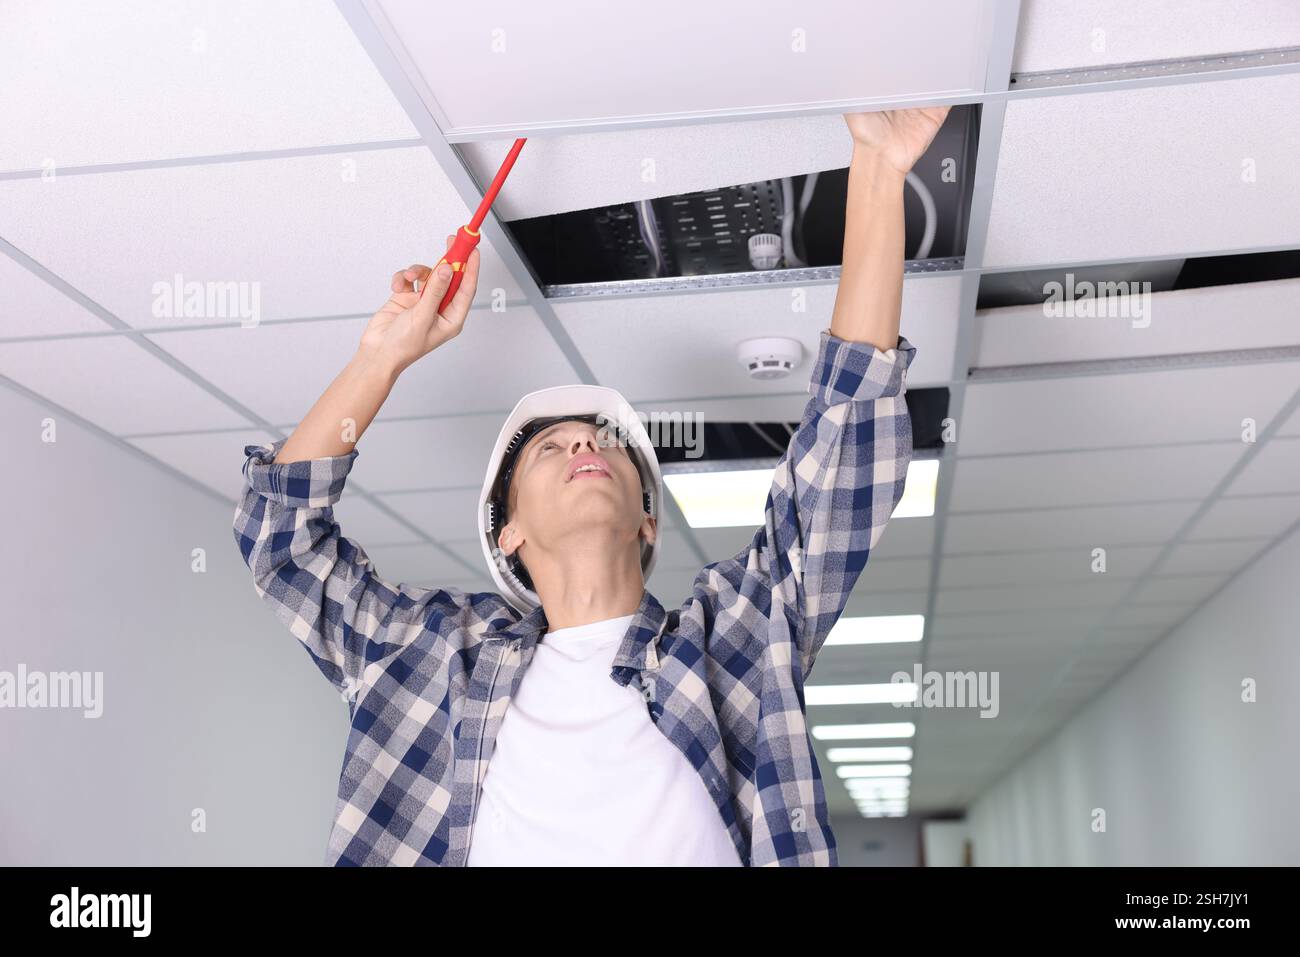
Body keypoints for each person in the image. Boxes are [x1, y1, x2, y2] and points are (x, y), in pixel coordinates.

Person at [233, 107, 946, 866]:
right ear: (507, 532)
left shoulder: (735, 639)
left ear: (645, 520)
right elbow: (279, 541)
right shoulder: (430, 662)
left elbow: (842, 458)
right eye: (549, 446)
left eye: (603, 443)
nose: (582, 442)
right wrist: (381, 357)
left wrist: (876, 169)